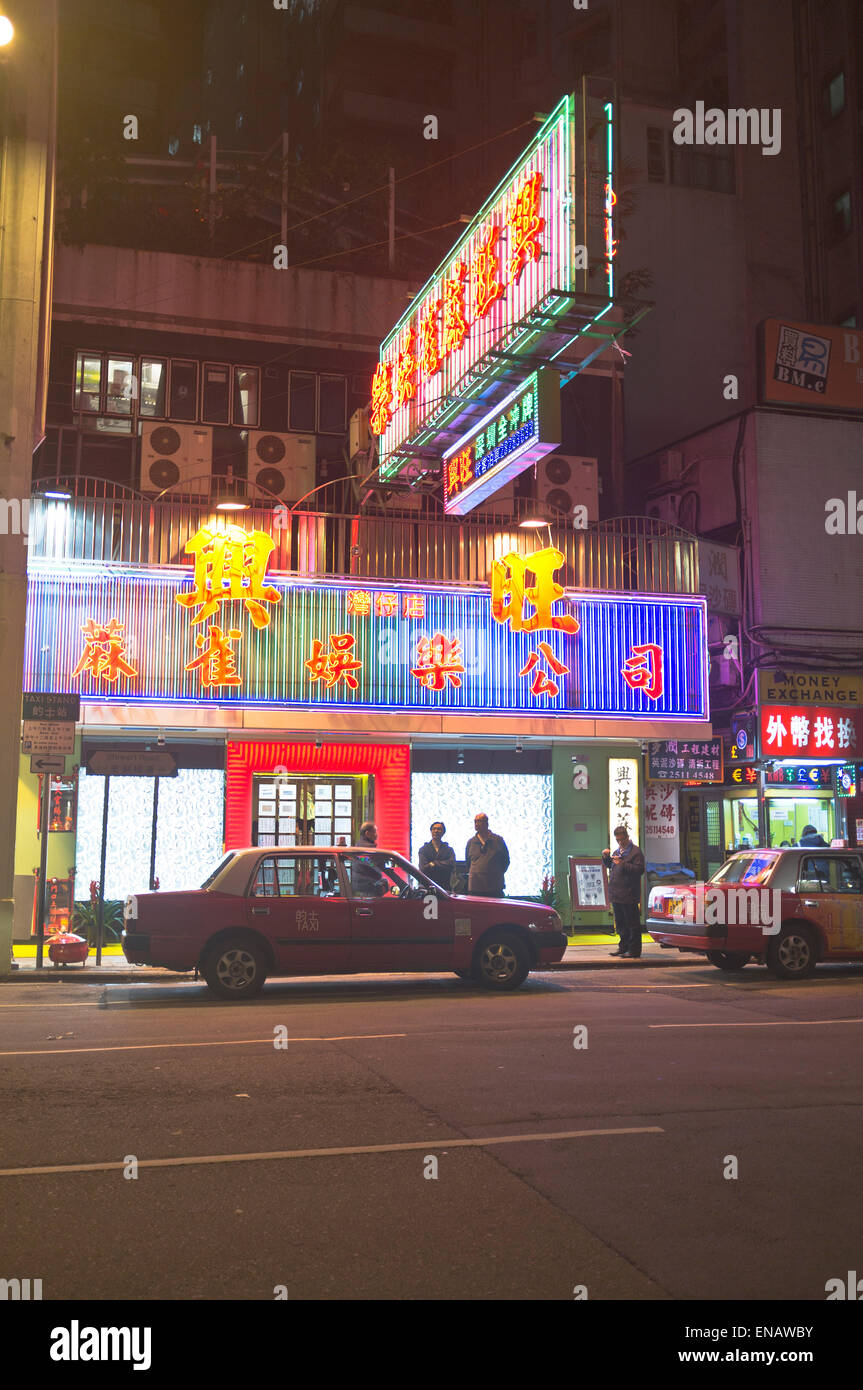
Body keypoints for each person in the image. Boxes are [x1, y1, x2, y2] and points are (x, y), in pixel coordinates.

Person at [602, 824, 646, 959]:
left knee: (632, 923)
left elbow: (639, 870)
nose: (620, 842)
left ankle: (634, 951)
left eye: (622, 839)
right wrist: (606, 858)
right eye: (618, 840)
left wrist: (623, 863)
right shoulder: (617, 852)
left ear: (627, 837)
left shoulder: (635, 852)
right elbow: (612, 866)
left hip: (629, 893)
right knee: (620, 923)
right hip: (616, 893)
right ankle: (623, 947)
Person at [464, 813, 510, 898]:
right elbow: (468, 863)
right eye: (475, 821)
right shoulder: (471, 842)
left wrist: (495, 872)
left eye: (480, 821)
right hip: (475, 887)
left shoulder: (498, 840)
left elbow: (506, 861)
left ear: (487, 823)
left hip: (494, 887)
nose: (477, 824)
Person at [418, 821, 456, 892]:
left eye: (439, 829)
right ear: (431, 831)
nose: (436, 831)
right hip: (427, 887)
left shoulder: (449, 850)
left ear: (443, 832)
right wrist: (442, 865)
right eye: (434, 829)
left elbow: (451, 864)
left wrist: (434, 864)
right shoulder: (423, 849)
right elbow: (423, 868)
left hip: (445, 887)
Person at [351, 821, 386, 897]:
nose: (376, 835)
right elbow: (374, 866)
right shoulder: (368, 849)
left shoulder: (359, 845)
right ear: (367, 833)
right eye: (374, 832)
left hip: (361, 886)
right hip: (368, 888)